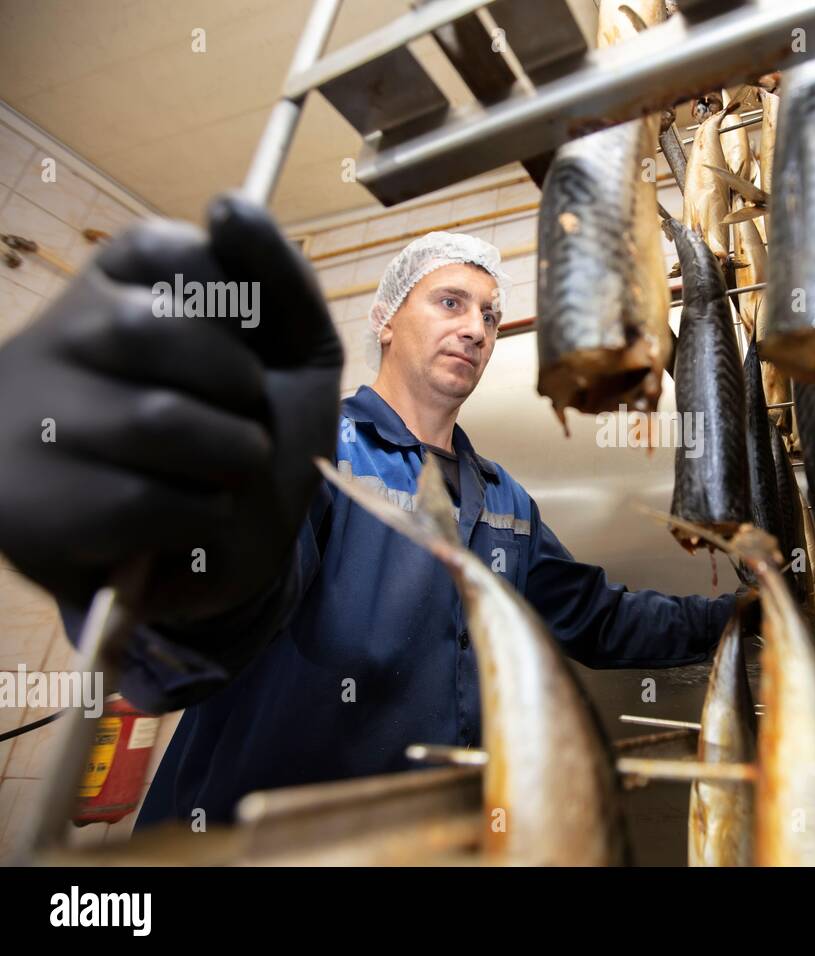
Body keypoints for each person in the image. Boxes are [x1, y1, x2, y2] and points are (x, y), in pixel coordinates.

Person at [0, 194, 735, 827]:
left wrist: (737, 615)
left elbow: (596, 619)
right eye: (450, 302)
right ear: (386, 320)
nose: (476, 329)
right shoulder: (318, 454)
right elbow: (229, 597)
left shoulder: (503, 500)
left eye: (489, 313)